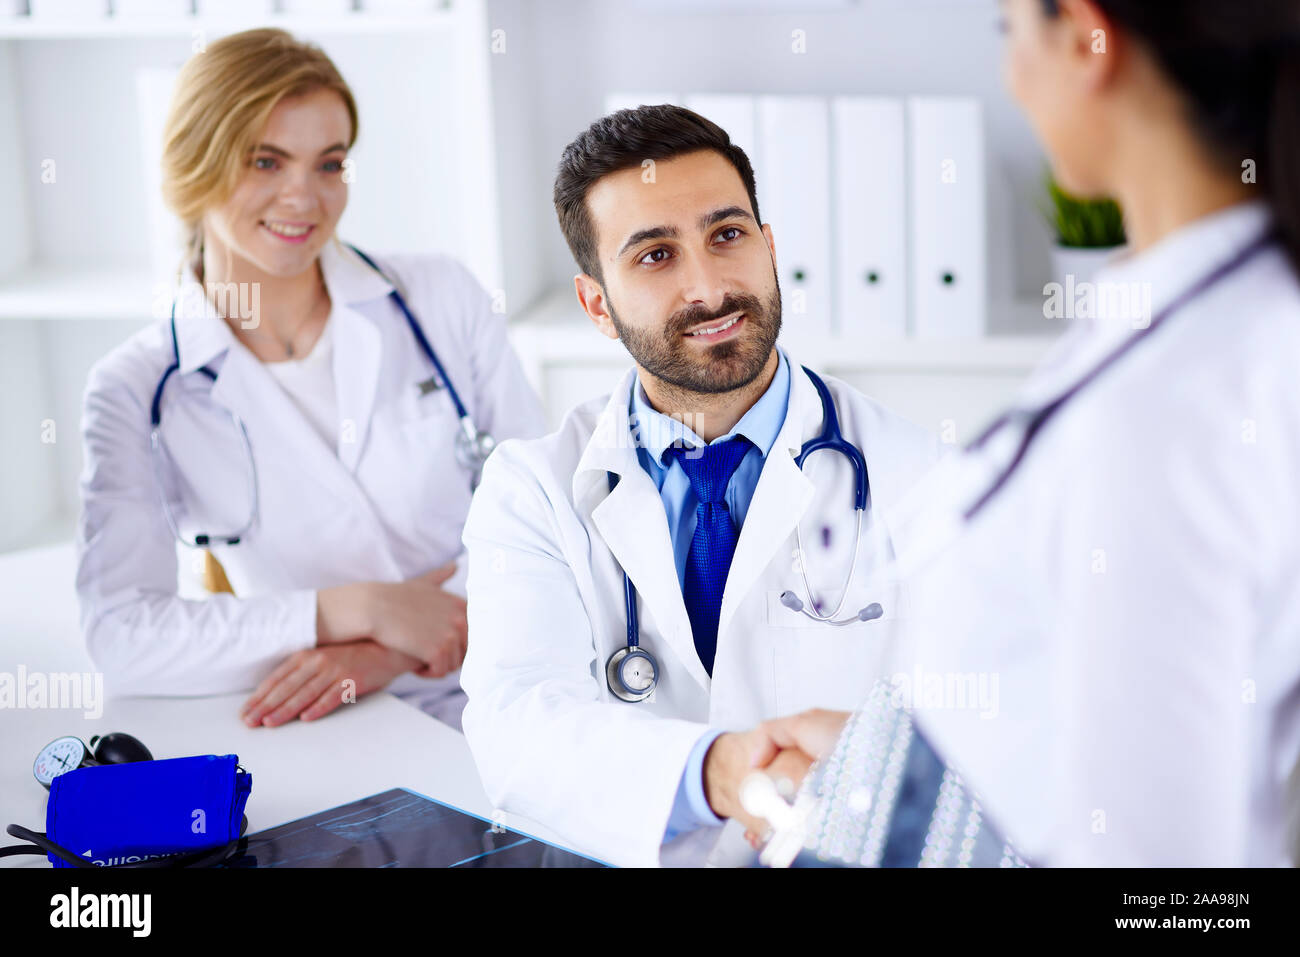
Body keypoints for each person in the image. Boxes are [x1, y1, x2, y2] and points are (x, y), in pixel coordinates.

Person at [735, 0, 1300, 867]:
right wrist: (884, 765)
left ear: (1087, 38)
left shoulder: (1169, 403)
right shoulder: (1195, 306)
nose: (1009, 75)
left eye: (1008, 31)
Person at [457, 104, 941, 867]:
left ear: (769, 246)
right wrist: (724, 769)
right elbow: (519, 726)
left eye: (727, 235)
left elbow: (985, 734)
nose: (710, 288)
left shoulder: (919, 476)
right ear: (597, 306)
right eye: (655, 256)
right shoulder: (533, 492)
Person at [75, 28, 544, 731]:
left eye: (329, 164)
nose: (304, 197)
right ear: (191, 165)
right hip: (330, 726)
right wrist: (354, 609)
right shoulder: (136, 388)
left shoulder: (438, 299)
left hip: (517, 677)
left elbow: (548, 521)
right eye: (267, 160)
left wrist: (392, 650)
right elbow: (123, 635)